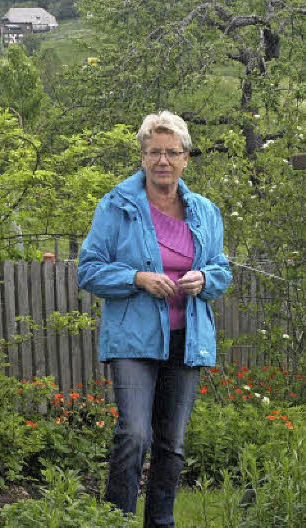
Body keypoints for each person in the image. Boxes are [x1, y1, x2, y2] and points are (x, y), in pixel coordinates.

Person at [77, 111, 232, 527]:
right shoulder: (117, 206)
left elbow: (222, 269)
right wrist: (137, 278)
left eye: (172, 153)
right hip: (133, 340)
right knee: (133, 435)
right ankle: (117, 521)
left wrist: (206, 278)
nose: (163, 160)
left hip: (186, 339)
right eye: (154, 152)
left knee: (172, 443)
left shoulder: (205, 211)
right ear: (143, 157)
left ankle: (160, 522)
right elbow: (88, 270)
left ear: (186, 158)